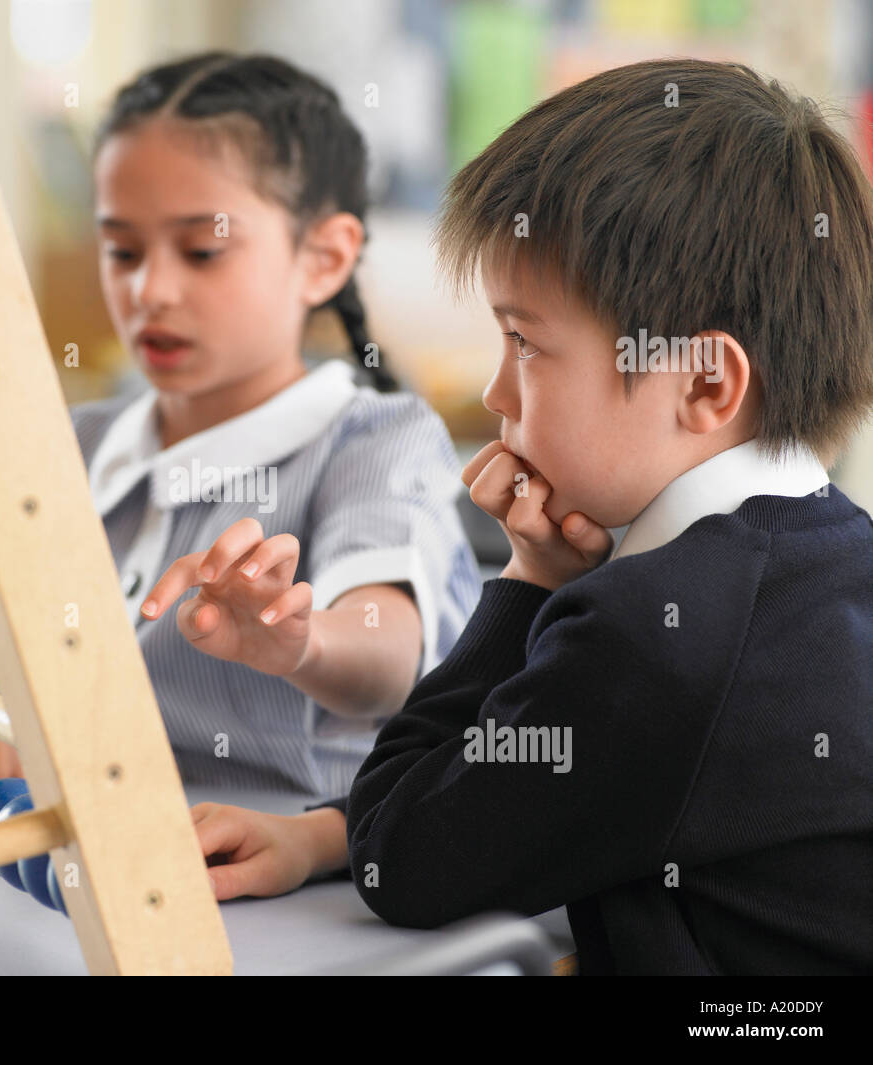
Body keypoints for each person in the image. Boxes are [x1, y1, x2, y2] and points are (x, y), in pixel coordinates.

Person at [192, 58, 873, 975]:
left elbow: (404, 859)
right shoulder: (829, 556)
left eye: (526, 343)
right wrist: (325, 834)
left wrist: (529, 582)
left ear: (706, 382)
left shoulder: (657, 638)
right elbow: (537, 805)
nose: (494, 388)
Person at [0, 52, 480, 804]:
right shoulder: (74, 443)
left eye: (202, 250)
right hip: (80, 851)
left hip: (289, 872)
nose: (150, 289)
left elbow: (386, 650)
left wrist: (299, 638)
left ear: (324, 258)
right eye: (122, 250)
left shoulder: (377, 440)